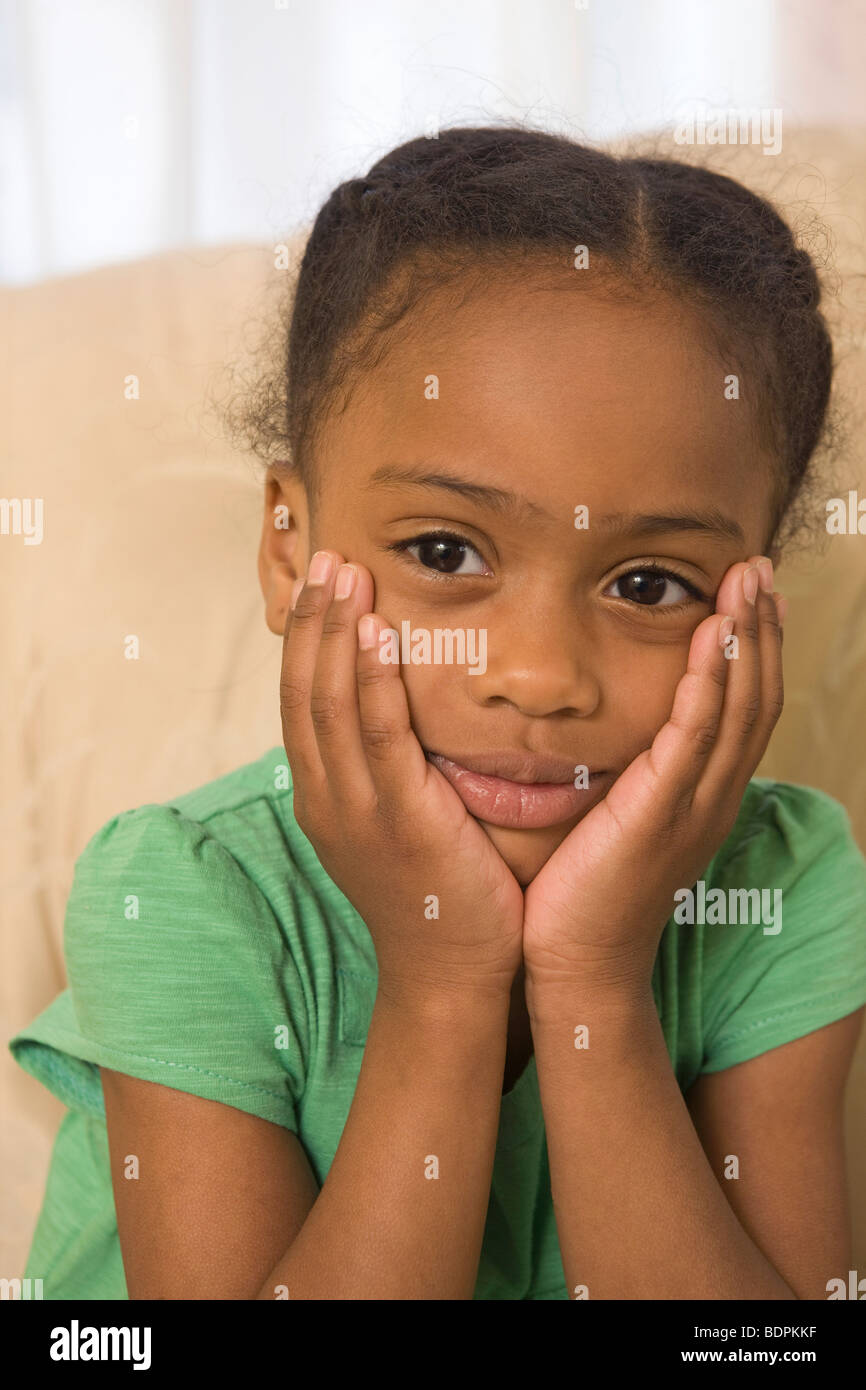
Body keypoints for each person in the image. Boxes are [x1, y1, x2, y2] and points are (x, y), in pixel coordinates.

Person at [10, 125, 866, 1300]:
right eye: (445, 550)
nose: (536, 675)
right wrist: (446, 978)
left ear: (753, 605)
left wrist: (592, 985)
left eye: (648, 584)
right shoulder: (181, 893)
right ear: (289, 548)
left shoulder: (781, 877)